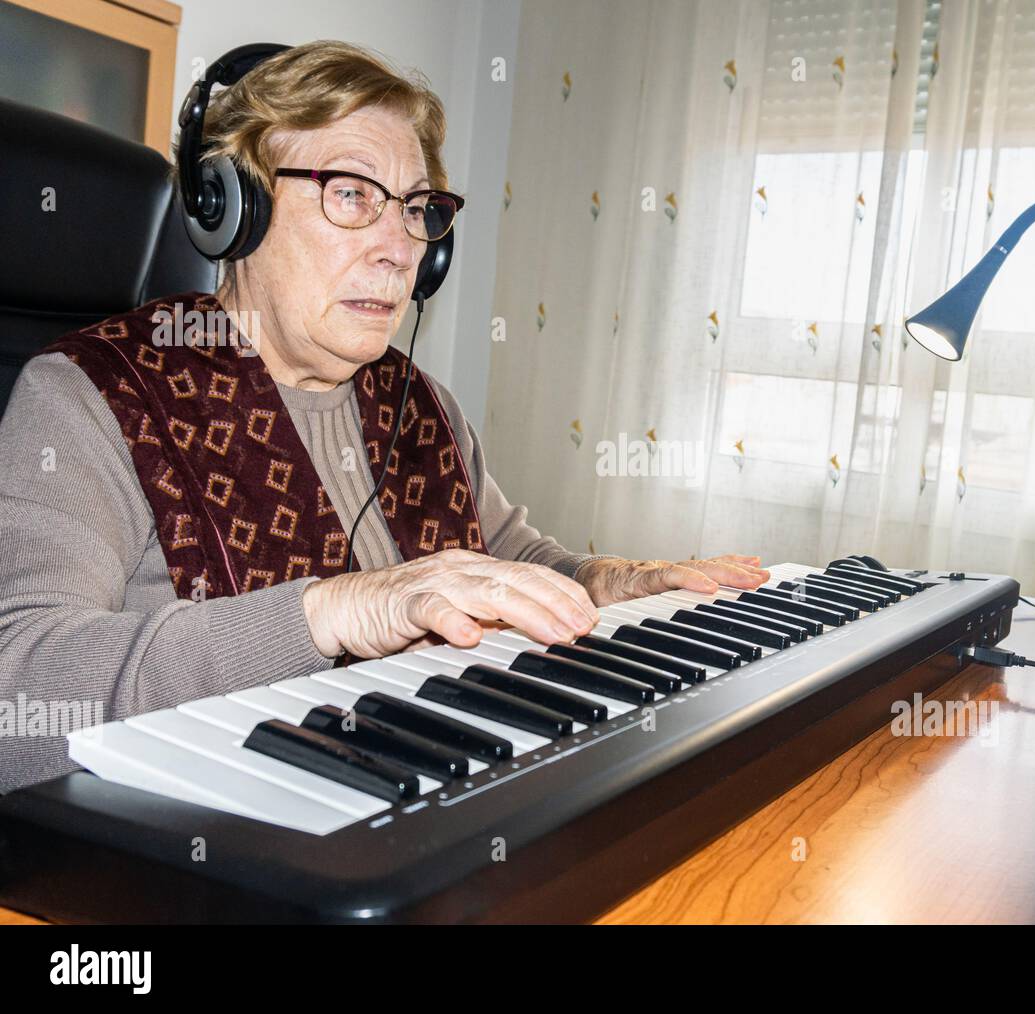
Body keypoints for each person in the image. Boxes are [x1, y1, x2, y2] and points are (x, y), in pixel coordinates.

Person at [0, 41, 768, 791]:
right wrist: (331, 611)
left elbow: (513, 560)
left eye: (416, 209)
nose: (400, 249)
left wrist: (609, 582)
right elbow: (15, 703)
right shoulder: (90, 396)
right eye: (352, 194)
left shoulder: (420, 402)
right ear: (236, 211)